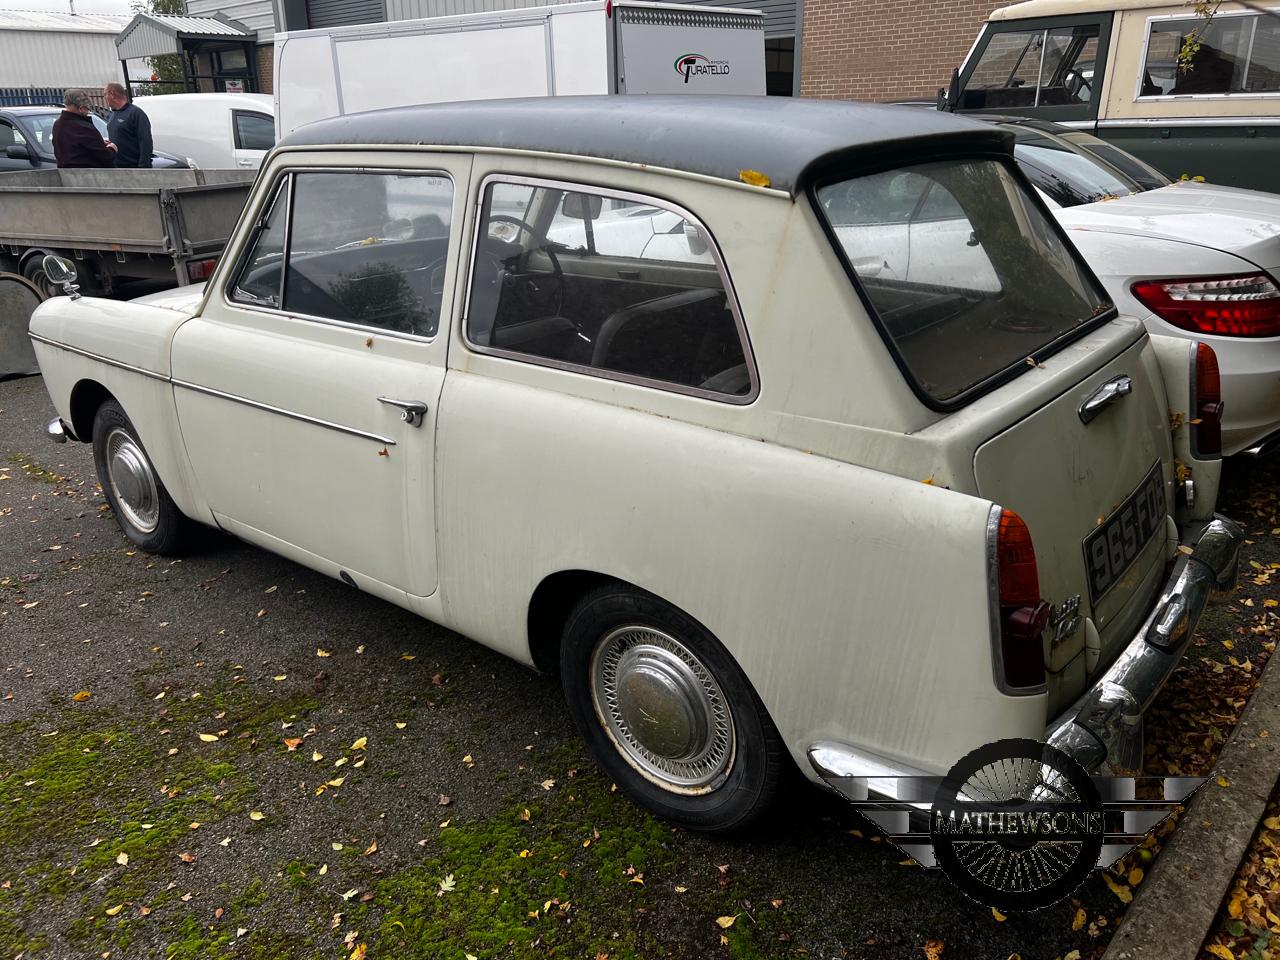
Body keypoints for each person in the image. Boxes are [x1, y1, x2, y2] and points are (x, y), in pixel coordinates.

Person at [51, 89, 116, 169]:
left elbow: (73, 146)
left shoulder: (58, 124)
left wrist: (99, 142)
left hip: (66, 174)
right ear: (81, 108)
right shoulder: (84, 127)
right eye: (87, 109)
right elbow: (105, 156)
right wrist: (112, 148)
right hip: (88, 175)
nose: (88, 112)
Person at [102, 82, 153, 169]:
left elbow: (145, 141)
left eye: (105, 95)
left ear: (112, 95)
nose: (104, 98)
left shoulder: (136, 113)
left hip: (134, 167)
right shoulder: (113, 115)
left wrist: (143, 167)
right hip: (117, 168)